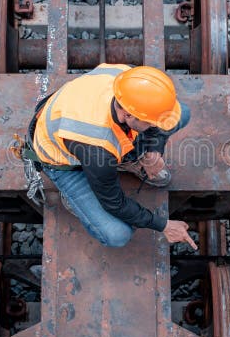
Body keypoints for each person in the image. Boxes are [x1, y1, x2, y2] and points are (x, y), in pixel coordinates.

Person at [27, 63, 197, 250]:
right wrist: (164, 225)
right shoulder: (97, 150)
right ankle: (73, 198)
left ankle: (130, 158)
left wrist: (153, 152)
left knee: (182, 114)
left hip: (93, 139)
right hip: (65, 163)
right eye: (151, 122)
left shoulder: (128, 78)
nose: (155, 126)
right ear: (127, 115)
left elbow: (161, 122)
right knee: (117, 235)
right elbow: (115, 204)